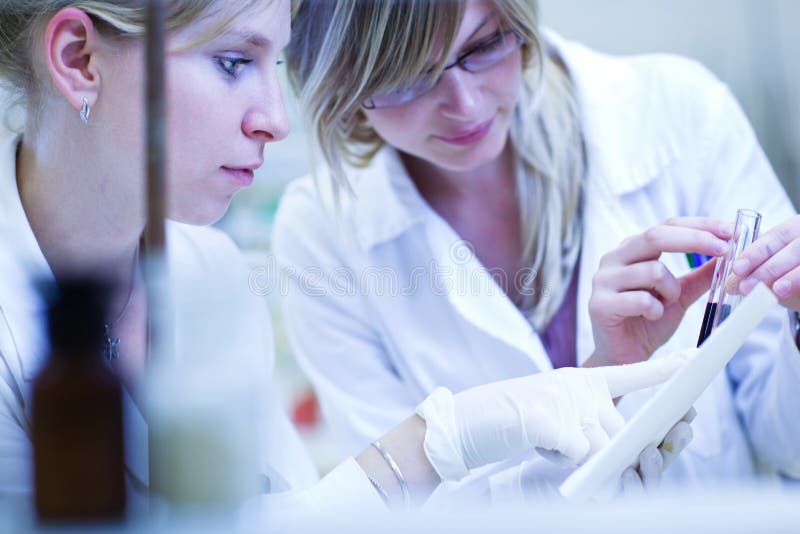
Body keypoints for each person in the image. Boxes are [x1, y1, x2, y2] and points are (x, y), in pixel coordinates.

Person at [0, 0, 688, 514]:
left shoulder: (209, 271)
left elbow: (297, 517)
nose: (276, 119)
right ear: (79, 60)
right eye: (233, 62)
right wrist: (438, 437)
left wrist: (539, 454)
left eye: (275, 65)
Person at [276, 0, 800, 497]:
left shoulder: (679, 113)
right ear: (339, 84)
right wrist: (604, 374)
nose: (466, 105)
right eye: (405, 79)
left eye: (483, 46)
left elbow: (789, 445)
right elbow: (400, 512)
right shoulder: (321, 235)